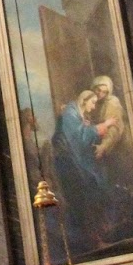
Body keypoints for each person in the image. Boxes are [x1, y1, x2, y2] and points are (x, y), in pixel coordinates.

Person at [51, 85, 117, 256]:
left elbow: (77, 134)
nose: (94, 106)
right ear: (84, 100)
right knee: (83, 202)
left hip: (72, 164)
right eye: (92, 102)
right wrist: (103, 125)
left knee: (92, 196)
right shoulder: (70, 113)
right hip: (68, 167)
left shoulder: (74, 114)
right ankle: (94, 241)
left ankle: (98, 236)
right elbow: (79, 137)